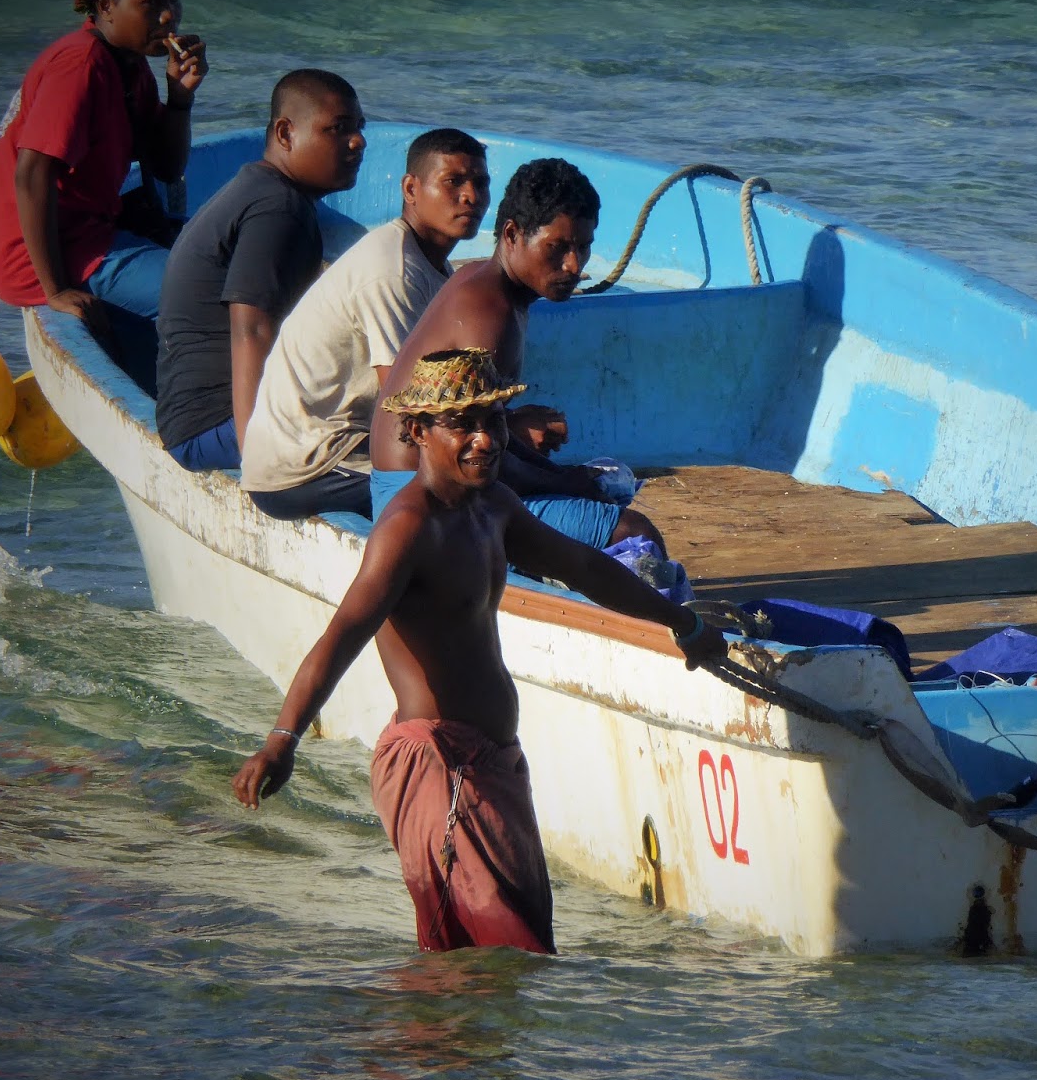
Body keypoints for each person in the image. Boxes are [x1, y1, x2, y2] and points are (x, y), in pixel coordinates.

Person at [230, 350, 727, 952]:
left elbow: (585, 567)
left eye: (492, 421)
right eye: (461, 424)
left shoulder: (493, 509)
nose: (483, 439)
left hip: (494, 767)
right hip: (439, 766)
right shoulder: (408, 529)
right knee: (472, 969)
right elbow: (342, 637)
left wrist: (680, 622)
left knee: (517, 960)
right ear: (417, 432)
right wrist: (282, 741)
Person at [369, 158, 668, 553]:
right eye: (557, 248)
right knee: (635, 533)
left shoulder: (484, 281)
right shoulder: (489, 315)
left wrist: (567, 477)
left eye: (583, 247)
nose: (574, 265)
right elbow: (480, 453)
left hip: (424, 480)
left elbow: (492, 437)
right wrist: (570, 483)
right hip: (424, 497)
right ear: (512, 234)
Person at [0, 0, 209, 393]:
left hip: (87, 225)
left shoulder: (128, 65)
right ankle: (203, 403)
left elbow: (165, 165)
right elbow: (31, 175)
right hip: (45, 250)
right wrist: (56, 289)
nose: (169, 17)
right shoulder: (79, 66)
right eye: (151, 3)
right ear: (105, 6)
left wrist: (179, 96)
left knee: (225, 254)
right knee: (202, 293)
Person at [239, 129, 490, 520]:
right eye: (453, 182)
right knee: (465, 488)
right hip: (307, 464)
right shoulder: (391, 271)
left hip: (346, 443)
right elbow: (410, 407)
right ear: (411, 189)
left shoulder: (429, 265)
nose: (471, 196)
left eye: (480, 183)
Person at [154, 69, 365, 470]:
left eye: (359, 127)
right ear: (285, 134)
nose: (358, 141)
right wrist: (259, 447)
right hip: (216, 427)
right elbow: (250, 326)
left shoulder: (261, 188)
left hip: (195, 420)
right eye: (338, 129)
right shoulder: (277, 209)